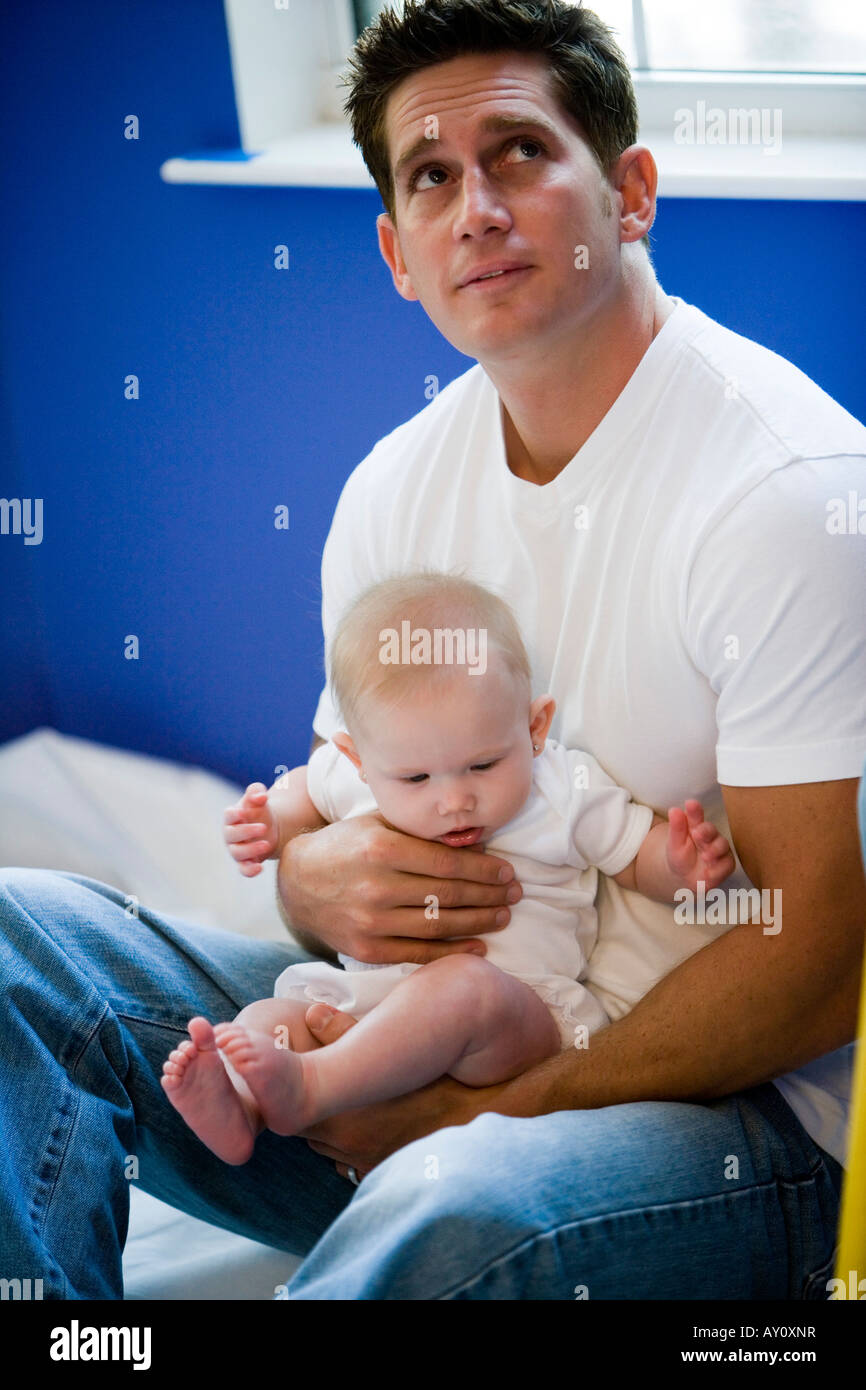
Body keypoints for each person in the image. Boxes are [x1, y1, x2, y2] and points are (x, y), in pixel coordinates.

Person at [1, 0, 864, 1299]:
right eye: (431, 175)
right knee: (18, 941)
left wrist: (485, 1113)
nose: (477, 206)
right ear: (397, 252)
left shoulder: (784, 493)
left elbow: (817, 957)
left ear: (629, 190)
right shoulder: (390, 493)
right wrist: (311, 882)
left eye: (520, 151)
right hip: (395, 1048)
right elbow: (334, 803)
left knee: (446, 1199)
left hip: (735, 1122)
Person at [161, 571, 735, 1161]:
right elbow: (307, 791)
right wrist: (270, 823)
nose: (454, 799)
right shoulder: (364, 774)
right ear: (358, 760)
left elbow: (635, 856)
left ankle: (312, 1087)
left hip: (520, 1018)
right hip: (373, 1005)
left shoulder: (560, 788)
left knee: (462, 988)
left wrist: (679, 864)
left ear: (535, 728)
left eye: (484, 765)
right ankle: (241, 1106)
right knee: (269, 1017)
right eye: (416, 779)